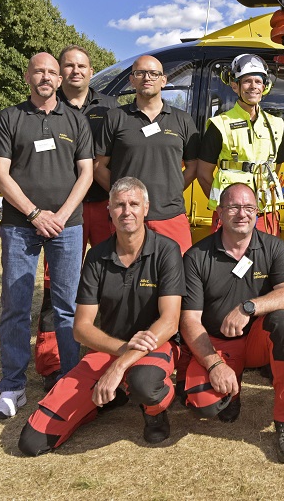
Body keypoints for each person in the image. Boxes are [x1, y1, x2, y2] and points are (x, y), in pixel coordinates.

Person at [18, 177, 184, 455]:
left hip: (156, 345)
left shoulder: (166, 250)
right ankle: (111, 397)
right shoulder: (97, 256)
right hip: (110, 348)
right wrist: (120, 352)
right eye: (119, 205)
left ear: (146, 208)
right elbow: (81, 328)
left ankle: (154, 411)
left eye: (133, 204)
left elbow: (169, 322)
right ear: (109, 209)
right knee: (32, 441)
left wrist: (120, 366)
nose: (126, 211)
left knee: (144, 382)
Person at [0, 52, 93, 420]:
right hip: (20, 225)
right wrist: (35, 214)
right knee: (15, 307)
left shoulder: (76, 119)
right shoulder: (10, 118)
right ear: (27, 76)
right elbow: (1, 174)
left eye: (52, 71)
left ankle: (69, 380)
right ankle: (12, 386)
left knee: (67, 307)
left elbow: (87, 173)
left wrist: (61, 216)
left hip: (68, 225)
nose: (46, 77)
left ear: (59, 78)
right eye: (40, 71)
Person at [180, 183, 284, 463]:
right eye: (234, 207)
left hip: (257, 340)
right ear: (220, 212)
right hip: (217, 344)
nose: (242, 214)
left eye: (249, 208)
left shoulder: (273, 247)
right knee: (204, 404)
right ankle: (230, 392)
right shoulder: (197, 256)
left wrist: (250, 307)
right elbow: (189, 321)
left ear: (257, 213)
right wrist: (214, 364)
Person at [33, 45, 119, 391]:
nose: (75, 71)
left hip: (101, 206)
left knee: (112, 280)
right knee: (57, 288)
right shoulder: (45, 108)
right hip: (62, 211)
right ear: (59, 71)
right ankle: (52, 361)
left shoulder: (110, 106)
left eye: (82, 65)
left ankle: (109, 351)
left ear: (91, 69)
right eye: (68, 65)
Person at [94, 54, 199, 254]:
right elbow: (98, 166)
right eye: (140, 73)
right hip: (128, 215)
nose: (147, 77)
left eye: (153, 73)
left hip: (171, 215)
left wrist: (172, 189)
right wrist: (123, 194)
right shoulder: (115, 117)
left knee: (176, 277)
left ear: (164, 80)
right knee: (127, 276)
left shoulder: (183, 120)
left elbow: (193, 167)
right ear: (131, 80)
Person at [196, 54, 284, 234]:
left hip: (265, 214)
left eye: (258, 82)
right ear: (235, 86)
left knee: (264, 261)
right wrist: (223, 209)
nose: (253, 87)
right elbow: (203, 174)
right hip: (231, 215)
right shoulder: (219, 125)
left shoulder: (277, 125)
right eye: (247, 81)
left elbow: (275, 167)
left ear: (265, 87)